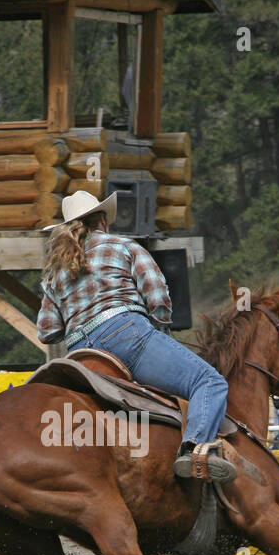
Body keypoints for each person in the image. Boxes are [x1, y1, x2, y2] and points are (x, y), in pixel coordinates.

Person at [36, 190, 236, 483]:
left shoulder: (55, 271)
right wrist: (160, 329)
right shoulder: (123, 246)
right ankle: (194, 450)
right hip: (127, 335)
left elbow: (47, 331)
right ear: (103, 221)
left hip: (80, 355)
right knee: (209, 381)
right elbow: (158, 298)